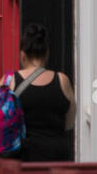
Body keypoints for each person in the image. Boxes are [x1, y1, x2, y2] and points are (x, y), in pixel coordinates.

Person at [6, 23, 75, 161]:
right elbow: (69, 123)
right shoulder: (62, 80)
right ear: (47, 52)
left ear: (22, 54)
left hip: (23, 159)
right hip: (57, 159)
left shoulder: (11, 80)